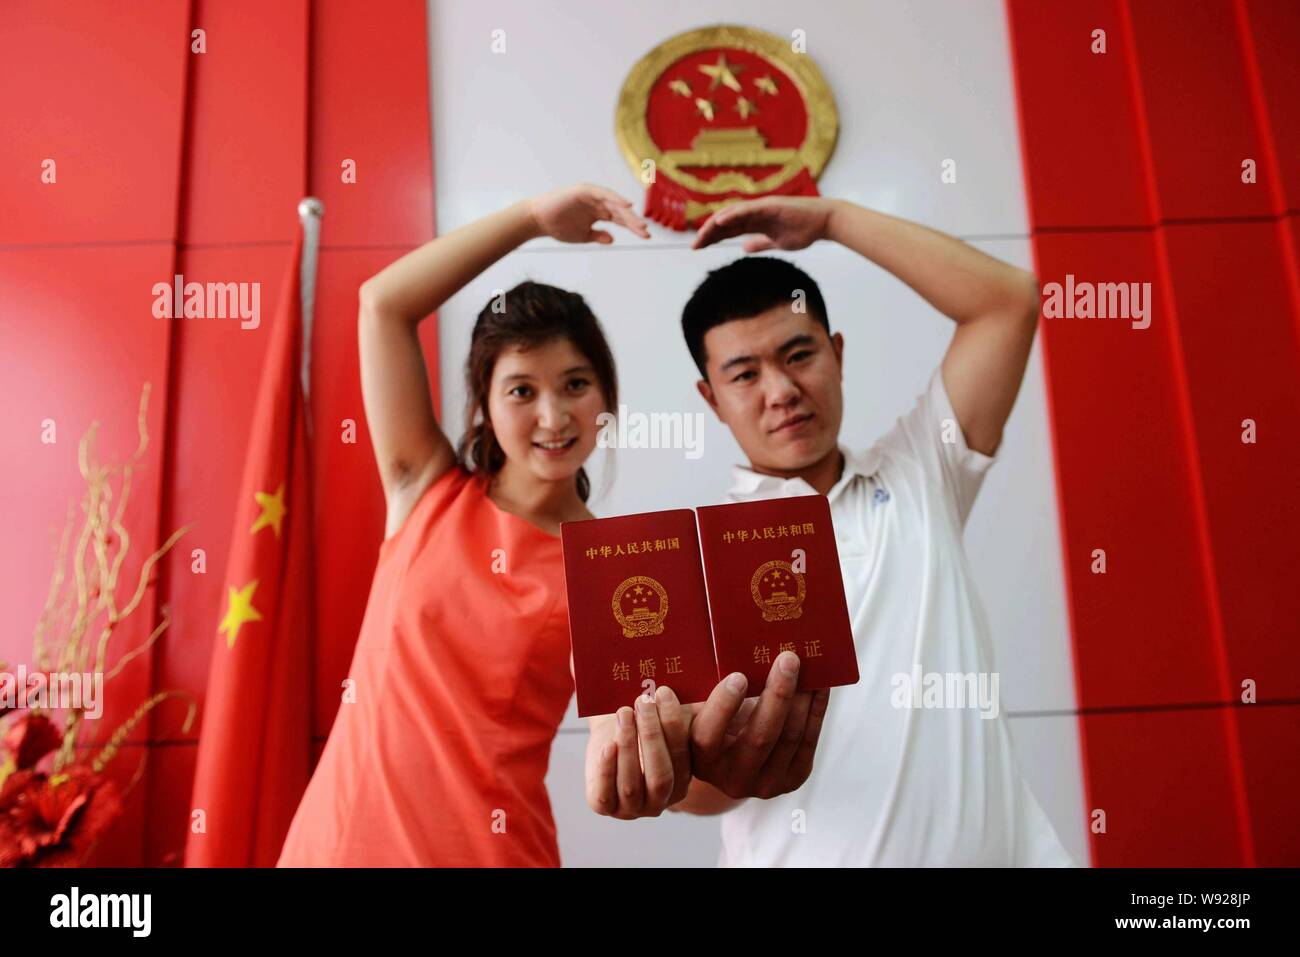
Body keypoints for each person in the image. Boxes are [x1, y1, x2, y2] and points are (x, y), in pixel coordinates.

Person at [277, 183, 824, 866]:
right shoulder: (424, 488)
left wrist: (691, 767)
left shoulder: (615, 566)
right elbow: (383, 304)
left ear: (606, 396)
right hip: (336, 844)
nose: (553, 416)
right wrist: (532, 219)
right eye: (522, 390)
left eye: (574, 384)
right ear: (484, 401)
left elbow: (637, 735)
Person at [666, 195, 1077, 867]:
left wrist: (831, 221)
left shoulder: (923, 469)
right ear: (711, 397)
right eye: (744, 373)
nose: (781, 390)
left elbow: (1010, 300)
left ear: (837, 352)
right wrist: (716, 761)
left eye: (799, 354)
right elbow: (697, 792)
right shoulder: (698, 559)